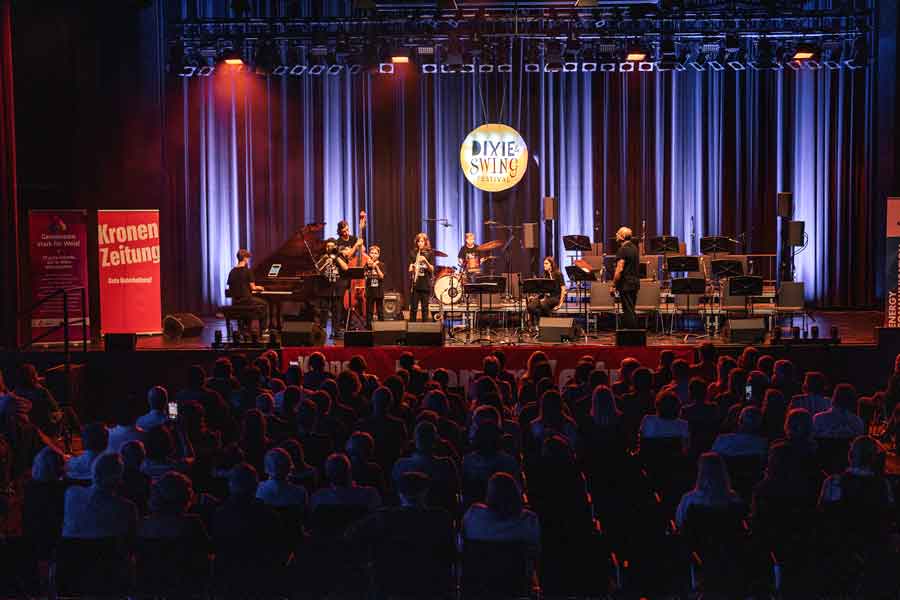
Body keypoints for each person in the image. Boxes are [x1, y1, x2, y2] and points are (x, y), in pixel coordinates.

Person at [462, 472, 541, 557]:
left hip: (479, 569)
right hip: (515, 570)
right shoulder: (529, 521)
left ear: (489, 493)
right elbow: (535, 553)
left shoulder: (473, 516)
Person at [62, 452, 139, 539]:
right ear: (119, 478)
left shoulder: (71, 494)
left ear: (93, 471)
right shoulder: (127, 508)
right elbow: (131, 541)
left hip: (72, 552)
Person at [674, 452, 744, 529]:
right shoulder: (734, 499)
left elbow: (680, 524)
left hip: (696, 540)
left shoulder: (689, 500)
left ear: (700, 472)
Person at [226, 248, 267, 334]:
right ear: (245, 258)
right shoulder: (248, 271)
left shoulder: (232, 271)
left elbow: (230, 288)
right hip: (246, 301)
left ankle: (244, 327)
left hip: (236, 302)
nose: (248, 260)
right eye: (248, 258)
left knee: (256, 303)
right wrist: (260, 287)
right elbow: (253, 288)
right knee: (264, 304)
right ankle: (263, 329)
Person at [610, 226, 640, 329]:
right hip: (635, 283)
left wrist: (613, 285)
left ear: (622, 237)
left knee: (627, 311)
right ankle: (633, 334)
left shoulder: (622, 249)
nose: (616, 235)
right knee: (631, 309)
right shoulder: (634, 248)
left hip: (626, 284)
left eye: (617, 233)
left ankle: (631, 336)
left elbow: (619, 269)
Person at [528, 256, 566, 323]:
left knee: (543, 304)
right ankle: (542, 322)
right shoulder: (545, 275)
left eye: (546, 263)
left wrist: (560, 303)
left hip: (555, 298)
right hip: (546, 298)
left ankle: (549, 322)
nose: (544, 265)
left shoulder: (558, 274)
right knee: (531, 306)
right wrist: (536, 297)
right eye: (544, 263)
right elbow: (543, 290)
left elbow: (563, 289)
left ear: (551, 264)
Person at [408, 232, 434, 322]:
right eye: (418, 241)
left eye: (422, 241)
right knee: (414, 308)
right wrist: (412, 267)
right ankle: (412, 328)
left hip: (425, 284)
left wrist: (425, 261)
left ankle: (425, 327)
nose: (420, 243)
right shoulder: (413, 253)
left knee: (425, 308)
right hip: (415, 284)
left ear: (425, 242)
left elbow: (432, 269)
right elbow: (410, 267)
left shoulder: (430, 253)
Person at [364, 244, 385, 327]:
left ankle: (381, 327)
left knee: (380, 310)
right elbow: (364, 276)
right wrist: (368, 268)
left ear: (378, 255)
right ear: (369, 254)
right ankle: (369, 326)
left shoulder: (381, 264)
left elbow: (382, 276)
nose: (373, 255)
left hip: (379, 291)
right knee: (369, 310)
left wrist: (376, 267)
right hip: (370, 290)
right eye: (372, 253)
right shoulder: (366, 265)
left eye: (375, 253)